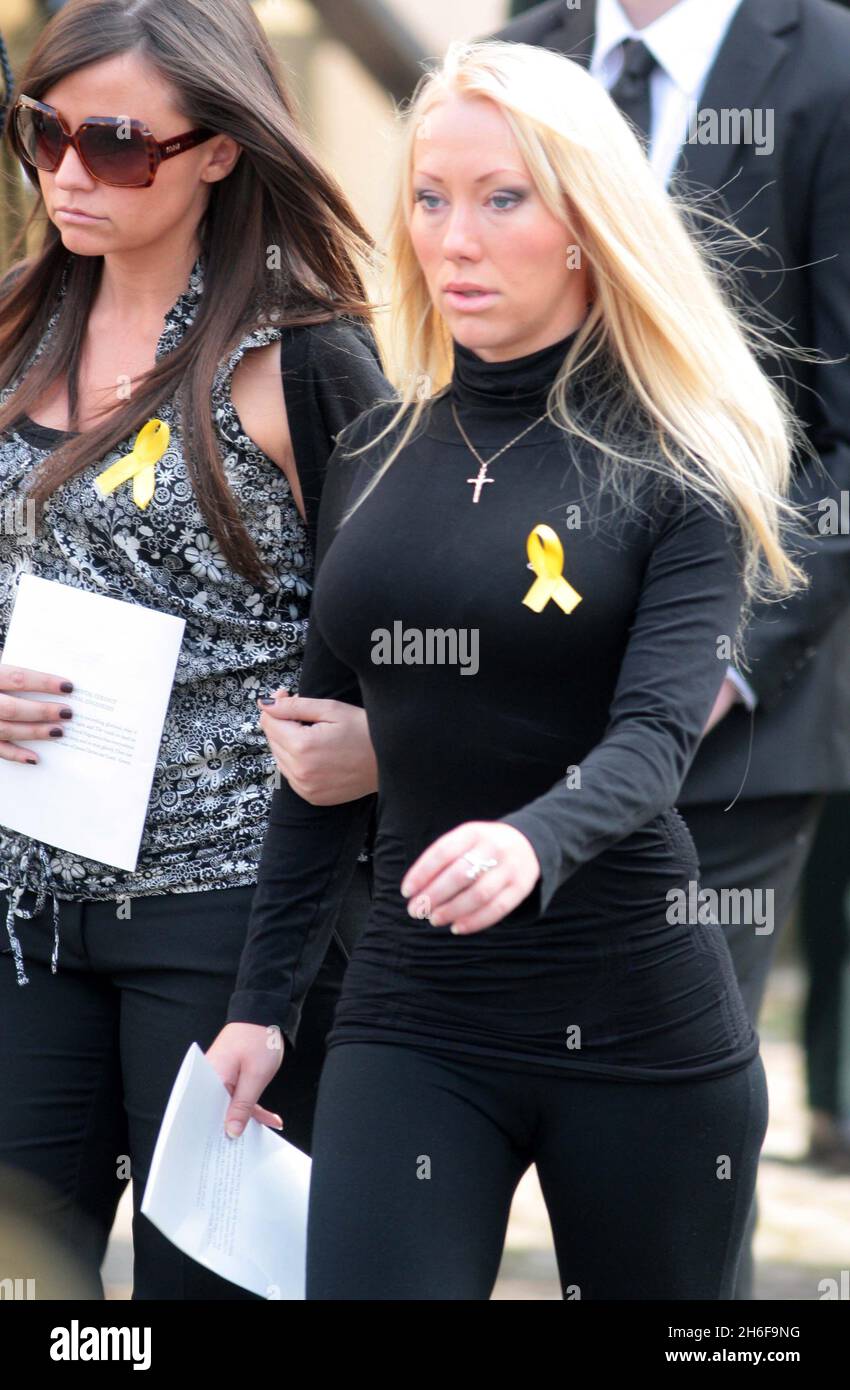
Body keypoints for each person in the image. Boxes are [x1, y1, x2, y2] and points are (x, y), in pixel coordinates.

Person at [207, 39, 812, 1300]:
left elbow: (655, 737)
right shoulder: (374, 444)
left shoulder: (681, 462)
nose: (453, 238)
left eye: (502, 199)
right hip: (411, 1012)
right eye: (429, 197)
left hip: (641, 1026)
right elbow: (315, 757)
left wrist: (533, 839)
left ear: (586, 223)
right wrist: (260, 1006)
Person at [0, 0, 389, 1301]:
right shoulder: (11, 330)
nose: (65, 173)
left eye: (113, 144)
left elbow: (415, 632)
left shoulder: (308, 360)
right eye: (41, 133)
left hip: (233, 917)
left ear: (218, 148)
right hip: (22, 913)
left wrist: (383, 739)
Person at [495, 0, 850, 1307]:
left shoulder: (823, 64)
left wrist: (716, 659)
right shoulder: (526, 49)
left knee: (671, 1154)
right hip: (505, 706)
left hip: (731, 734)